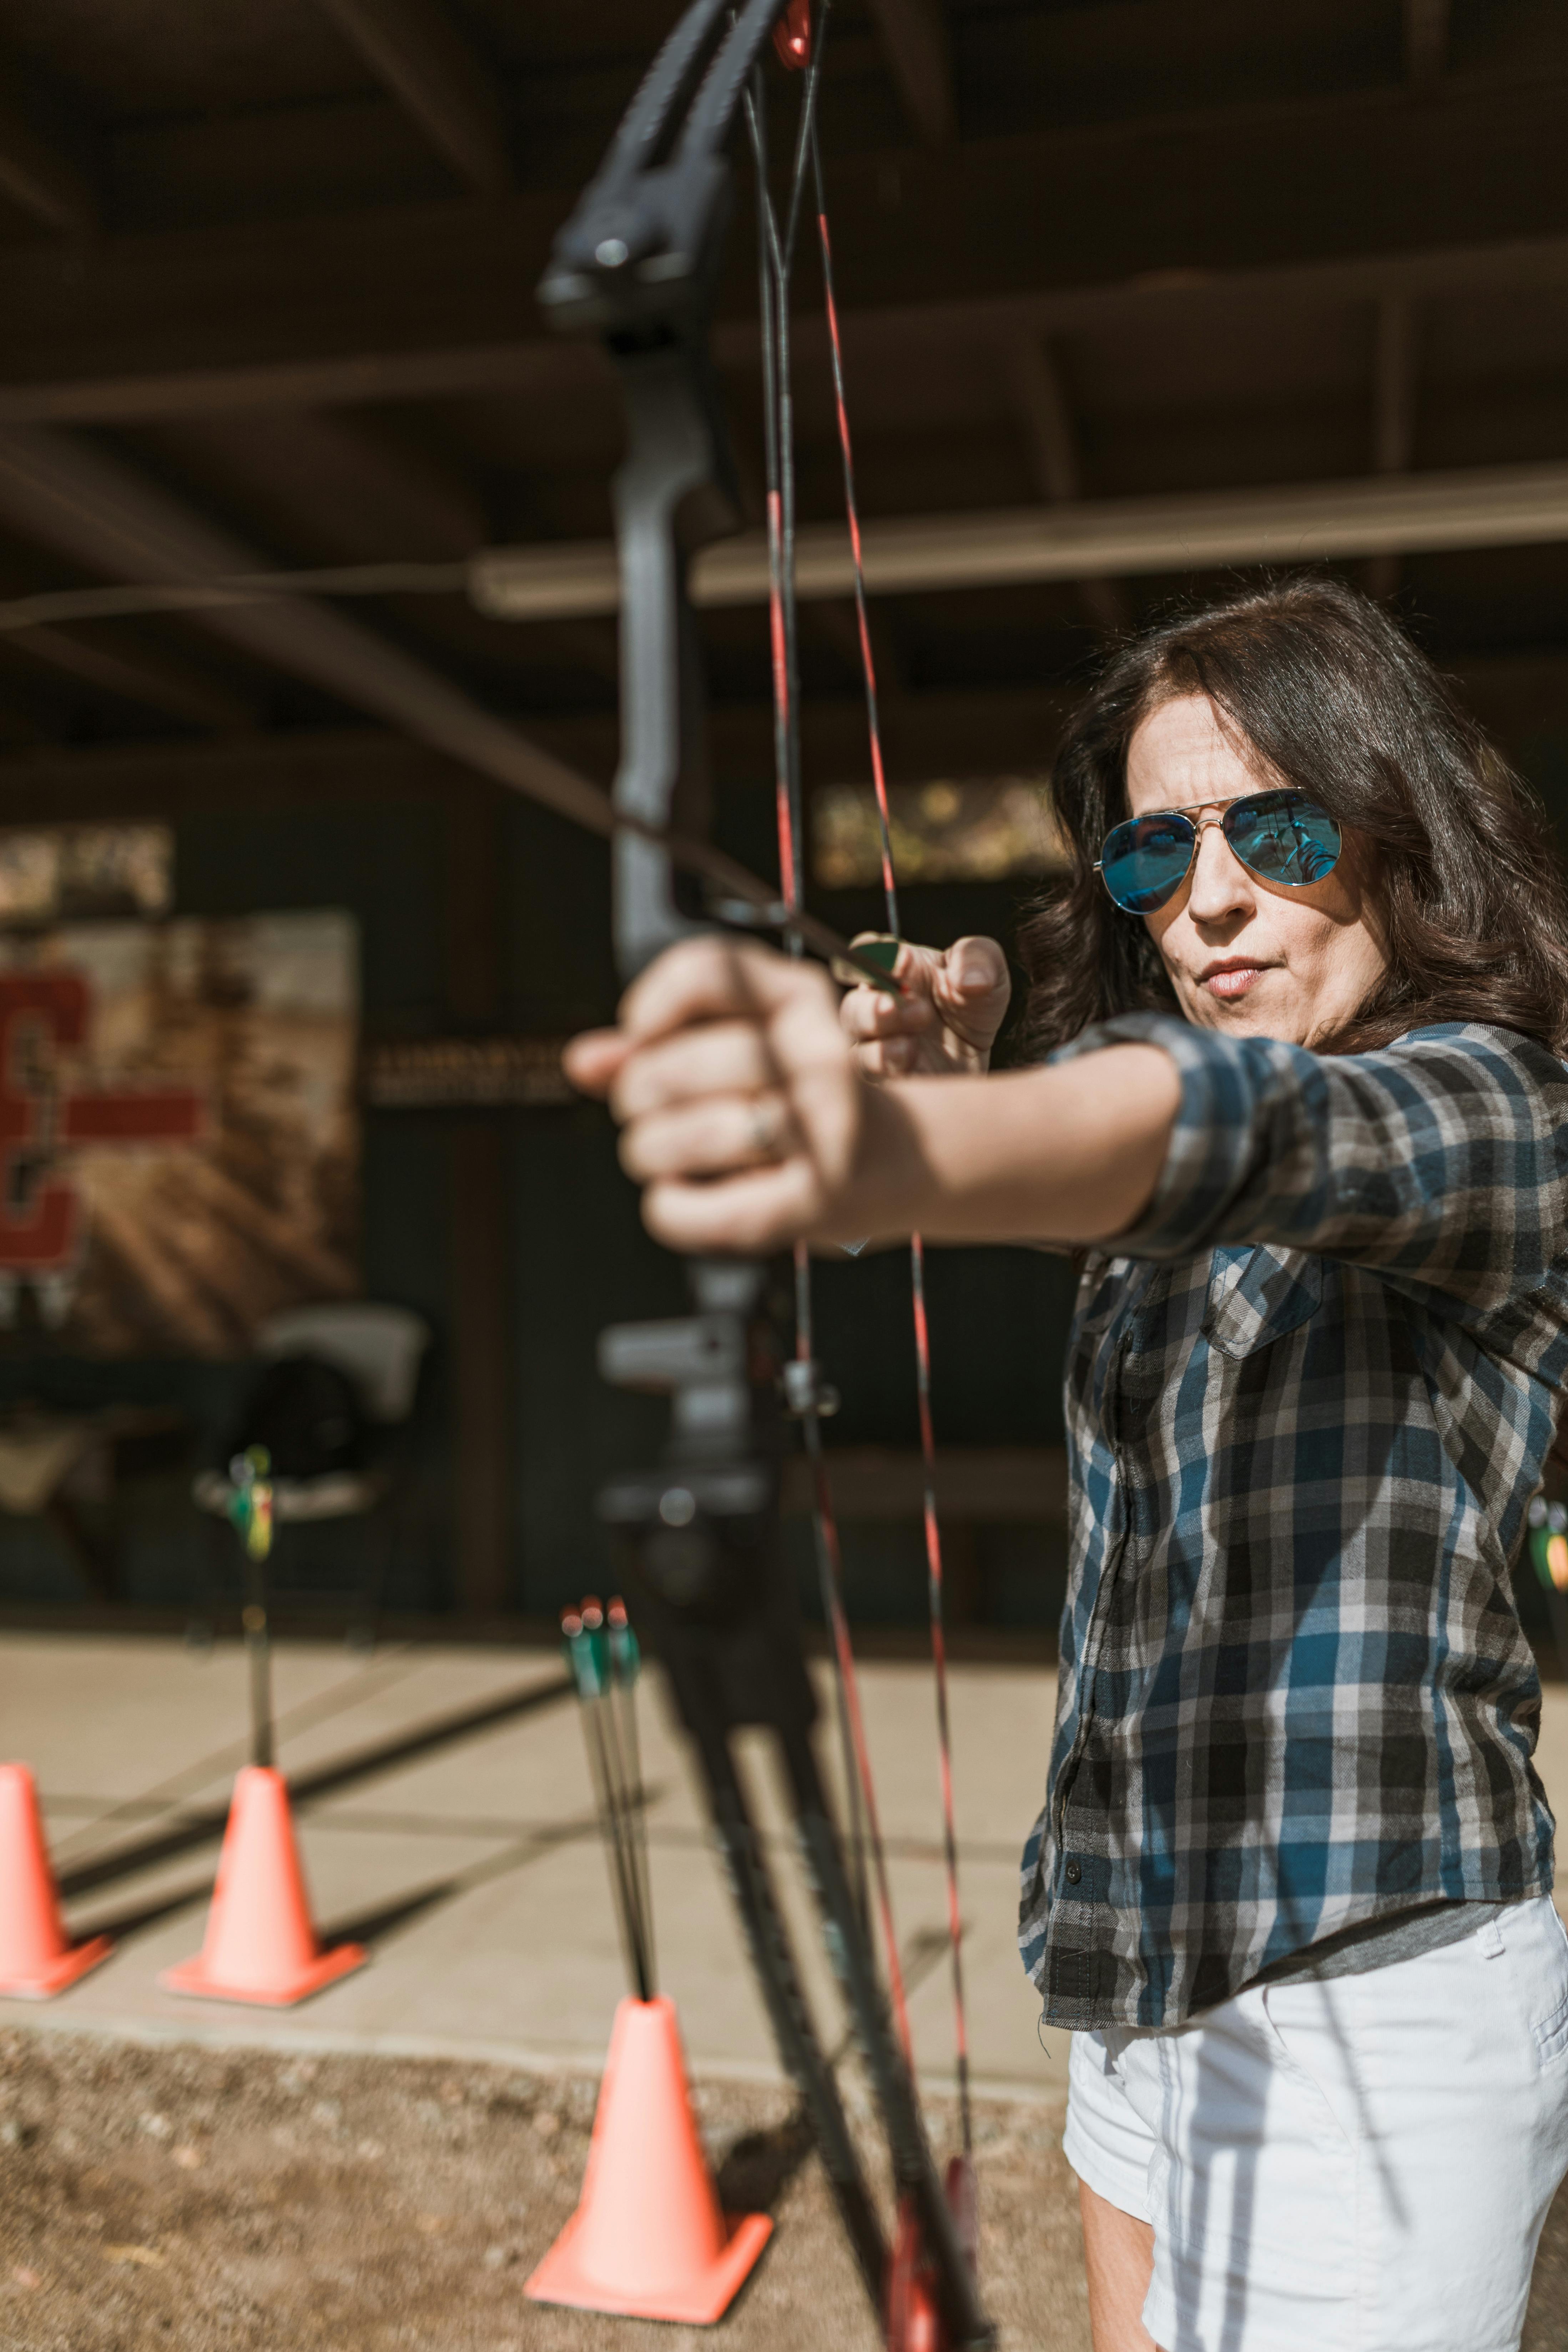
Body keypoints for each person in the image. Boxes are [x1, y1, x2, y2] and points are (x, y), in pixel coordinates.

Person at [564, 577, 1568, 2352]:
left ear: (1395, 826)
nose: (1213, 893)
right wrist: (958, 1096)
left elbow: (1233, 1140)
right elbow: (1142, 1178)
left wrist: (895, 1147)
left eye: (1276, 824)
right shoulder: (1190, 1152)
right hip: (1138, 1968)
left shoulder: (1489, 1111)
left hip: (1370, 1999)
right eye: (1150, 855)